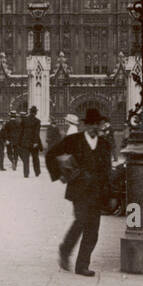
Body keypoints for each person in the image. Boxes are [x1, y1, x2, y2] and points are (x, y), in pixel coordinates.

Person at [45, 108, 113, 276]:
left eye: (96, 124)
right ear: (84, 125)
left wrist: (109, 194)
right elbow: (51, 154)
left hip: (97, 191)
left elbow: (107, 171)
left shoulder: (105, 145)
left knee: (93, 230)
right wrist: (60, 175)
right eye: (90, 124)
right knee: (82, 220)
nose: (93, 127)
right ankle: (65, 249)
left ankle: (82, 266)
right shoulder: (73, 140)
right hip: (79, 190)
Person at [19, 106, 42, 178]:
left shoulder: (24, 120)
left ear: (30, 112)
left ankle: (26, 173)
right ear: (35, 112)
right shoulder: (37, 121)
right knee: (35, 158)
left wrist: (20, 141)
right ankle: (37, 172)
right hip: (33, 142)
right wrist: (35, 142)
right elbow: (36, 133)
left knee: (26, 159)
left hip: (25, 142)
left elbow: (21, 132)